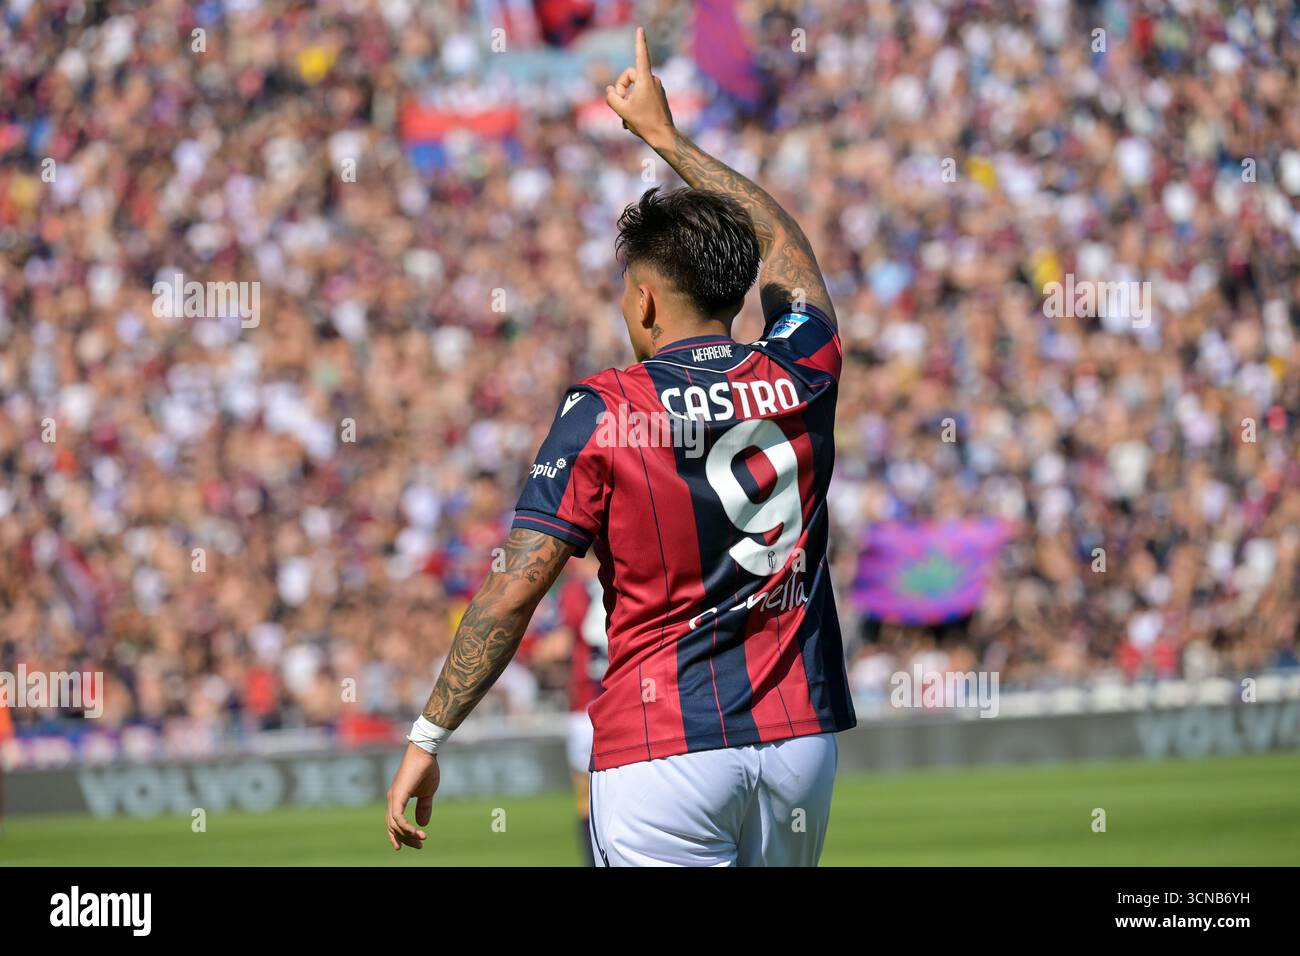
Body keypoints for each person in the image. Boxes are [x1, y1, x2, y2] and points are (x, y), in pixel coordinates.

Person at [386, 27, 855, 866]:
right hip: (799, 741)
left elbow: (513, 588)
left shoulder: (603, 409)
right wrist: (669, 142)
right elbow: (792, 252)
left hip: (662, 745)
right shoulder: (804, 370)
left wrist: (430, 732)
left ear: (642, 301)